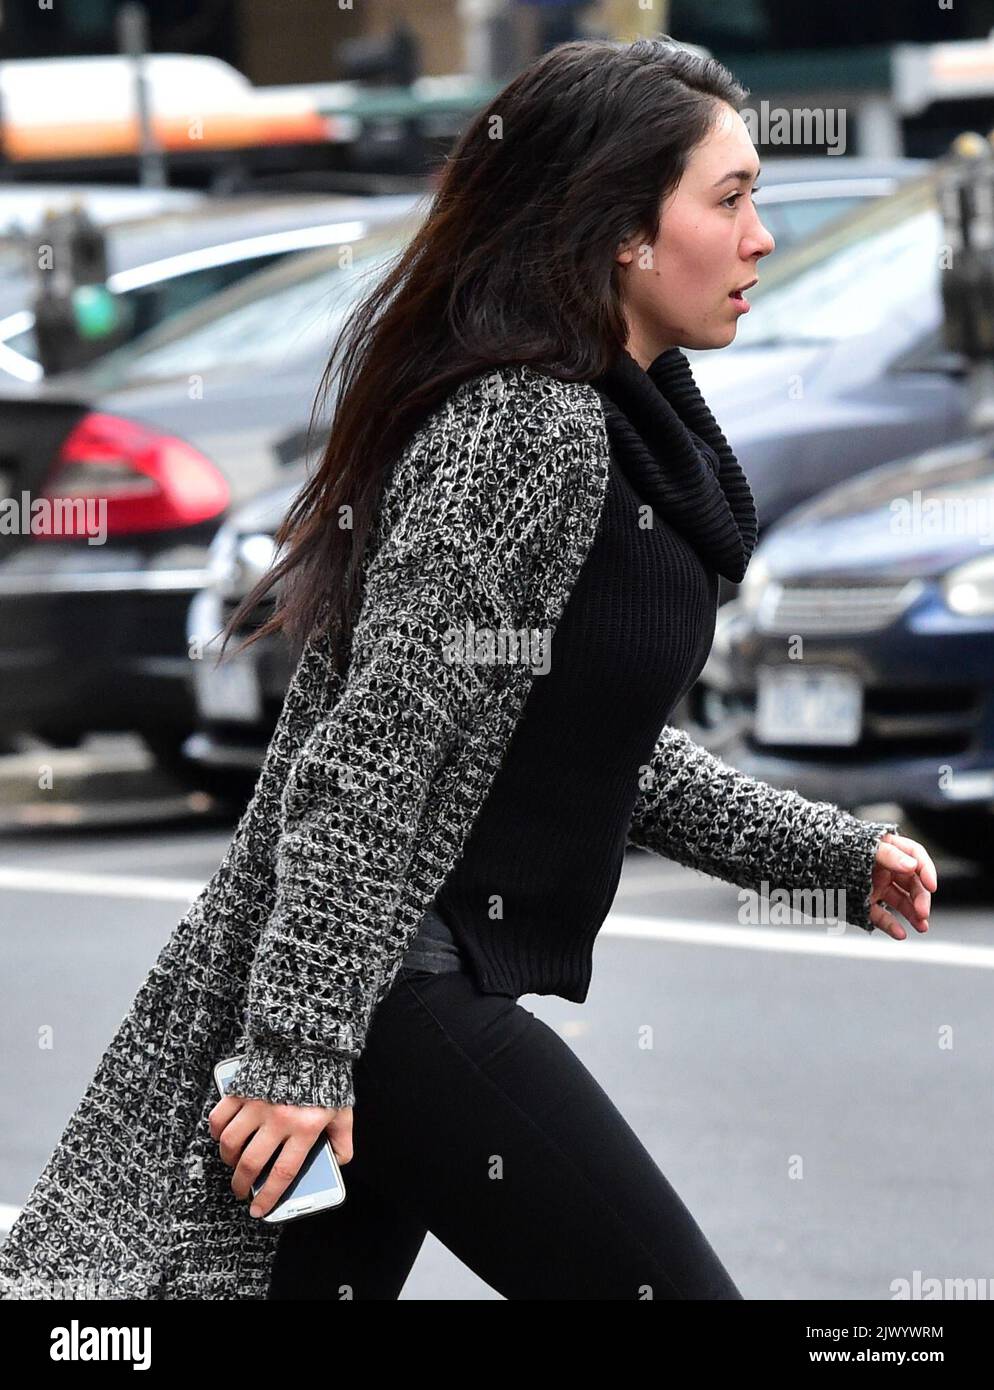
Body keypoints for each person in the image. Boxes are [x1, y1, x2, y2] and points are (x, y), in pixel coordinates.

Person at [0, 36, 937, 1304]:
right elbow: (377, 750)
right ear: (621, 231)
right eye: (729, 199)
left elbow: (569, 736)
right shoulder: (524, 428)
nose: (761, 236)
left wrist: (824, 854)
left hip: (397, 991)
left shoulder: (633, 422)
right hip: (385, 993)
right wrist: (299, 1047)